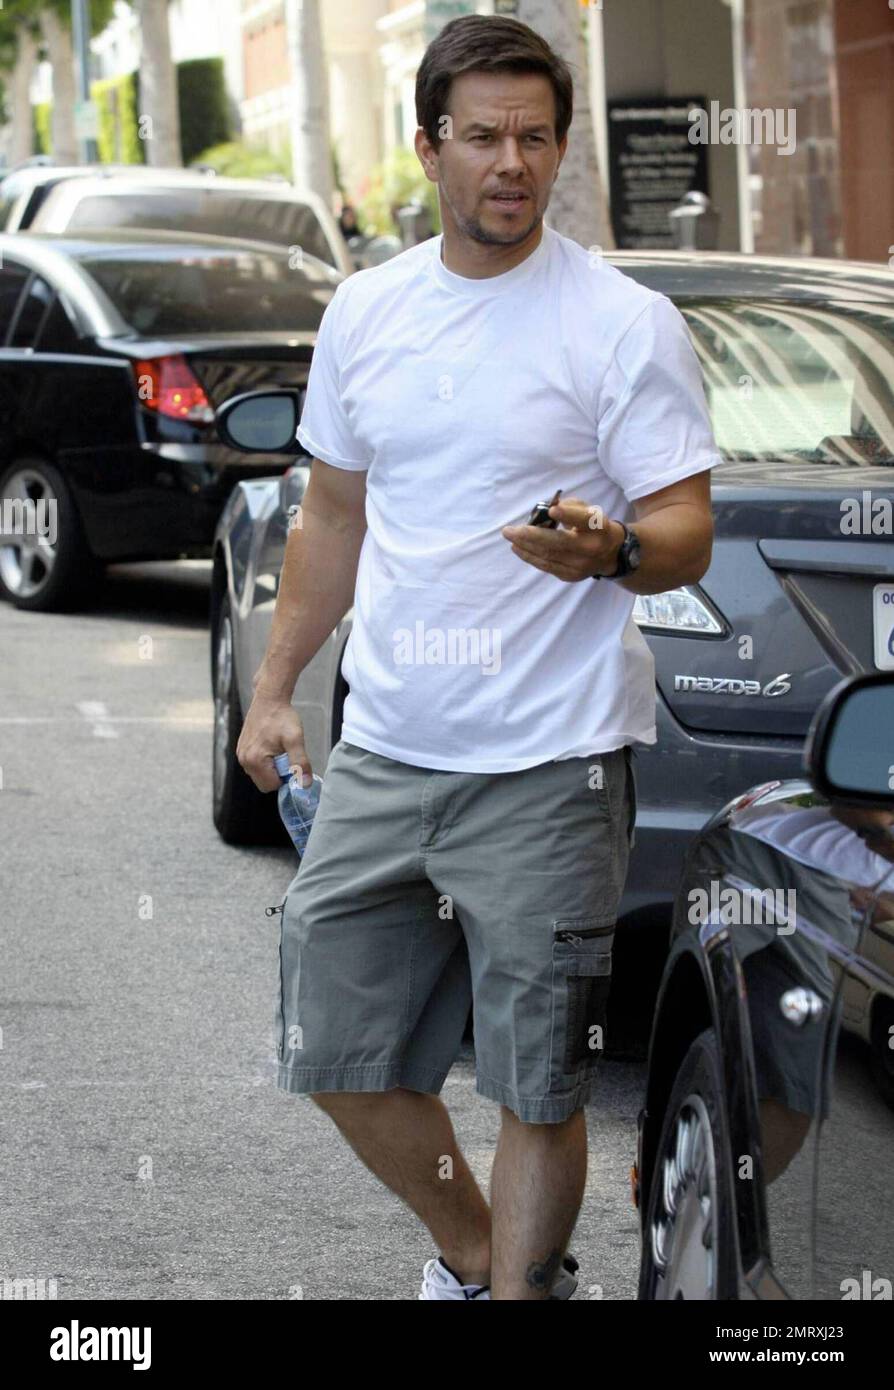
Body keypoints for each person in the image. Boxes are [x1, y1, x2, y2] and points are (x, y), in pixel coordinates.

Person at [237, 13, 717, 1301]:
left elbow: (687, 529)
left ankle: (515, 1296)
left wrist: (613, 551)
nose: (513, 161)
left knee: (537, 1081)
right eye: (486, 136)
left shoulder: (622, 323)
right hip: (390, 746)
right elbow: (331, 515)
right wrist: (276, 688)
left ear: (558, 150)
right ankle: (475, 1255)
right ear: (429, 149)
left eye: (536, 137)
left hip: (553, 761)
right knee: (332, 1043)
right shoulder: (369, 312)